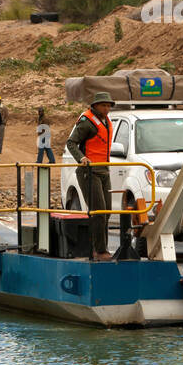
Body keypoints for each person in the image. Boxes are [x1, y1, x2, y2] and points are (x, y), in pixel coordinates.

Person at [66, 92, 115, 262]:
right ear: (95, 106)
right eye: (103, 105)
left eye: (109, 105)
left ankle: (101, 247)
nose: (107, 108)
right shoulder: (87, 123)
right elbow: (71, 142)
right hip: (89, 172)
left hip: (104, 171)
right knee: (99, 211)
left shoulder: (106, 122)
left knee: (106, 210)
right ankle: (99, 250)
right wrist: (82, 158)